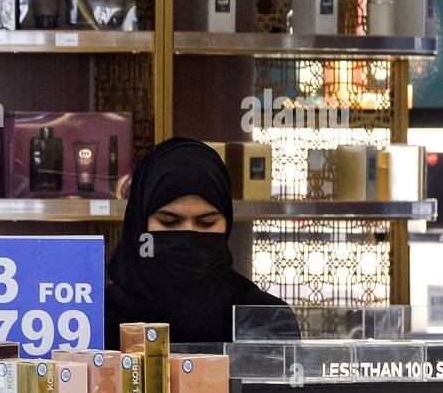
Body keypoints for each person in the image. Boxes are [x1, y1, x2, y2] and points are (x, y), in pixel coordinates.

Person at [104, 137, 298, 348]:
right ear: (140, 225)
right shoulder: (100, 318)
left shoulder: (262, 317)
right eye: (169, 222)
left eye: (206, 223)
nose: (188, 235)